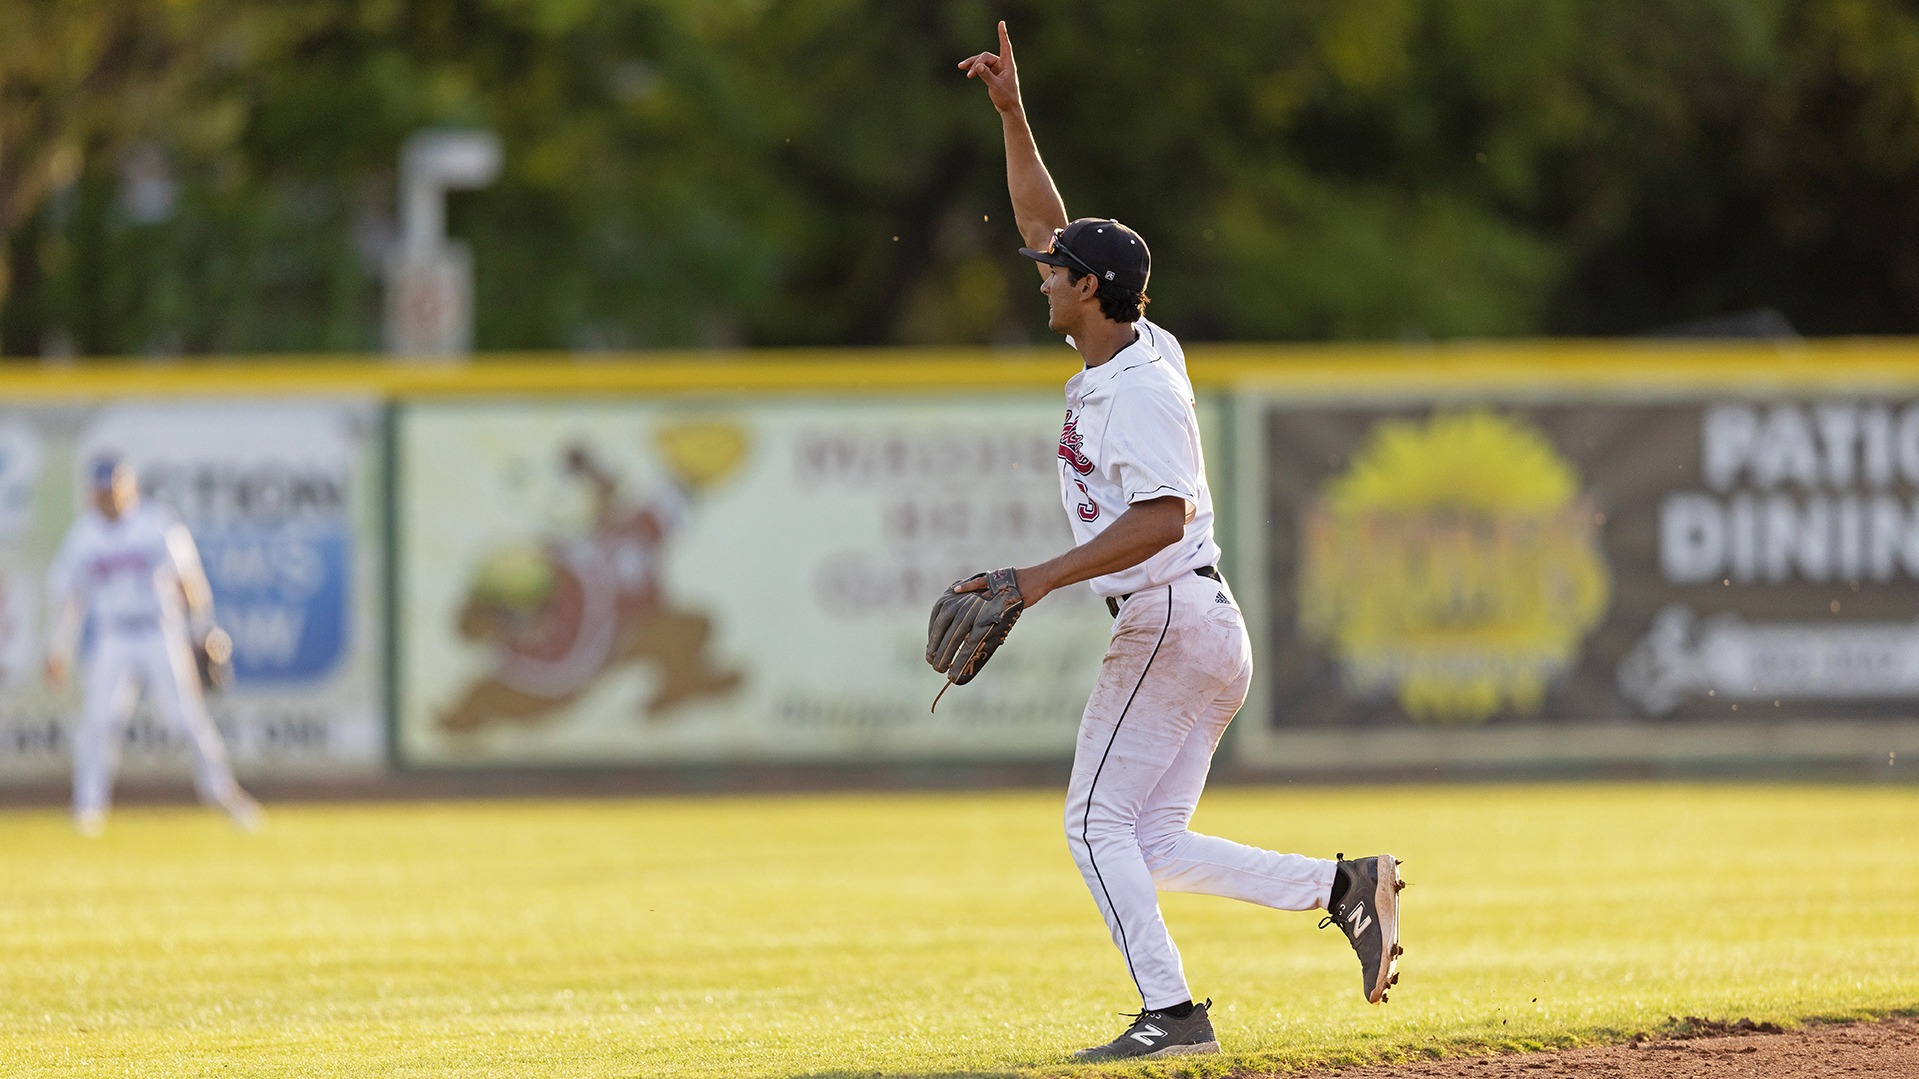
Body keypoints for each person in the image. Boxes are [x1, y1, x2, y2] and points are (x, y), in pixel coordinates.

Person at [958, 22, 1403, 1062]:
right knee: (1144, 837)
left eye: (1056, 270)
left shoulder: (1142, 388)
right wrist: (1013, 113)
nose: (1040, 272)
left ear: (1091, 291)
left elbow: (1161, 516)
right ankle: (1340, 886)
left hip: (1166, 615)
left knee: (1088, 824)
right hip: (1192, 623)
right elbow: (1044, 220)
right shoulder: (1130, 340)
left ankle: (1171, 1012)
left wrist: (1033, 581)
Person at [43, 455, 262, 836]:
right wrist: (58, 647)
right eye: (100, 492)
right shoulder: (84, 534)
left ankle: (224, 793)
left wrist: (202, 629)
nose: (106, 498)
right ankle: (88, 806)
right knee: (98, 721)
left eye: (112, 490)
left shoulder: (155, 523)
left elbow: (189, 580)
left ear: (129, 488)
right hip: (113, 635)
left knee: (186, 719)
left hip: (160, 632)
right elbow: (69, 597)